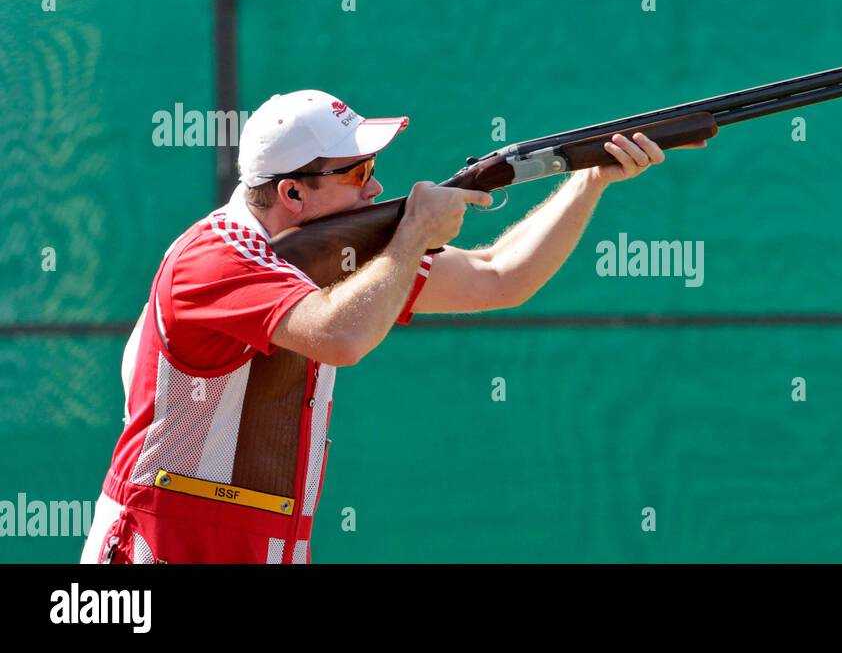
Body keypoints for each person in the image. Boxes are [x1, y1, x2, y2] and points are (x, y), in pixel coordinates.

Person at [79, 90, 703, 563]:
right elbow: (340, 337)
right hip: (162, 550)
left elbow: (500, 275)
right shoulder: (216, 258)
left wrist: (590, 180)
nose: (376, 185)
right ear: (293, 195)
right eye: (355, 174)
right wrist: (412, 237)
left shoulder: (321, 254)